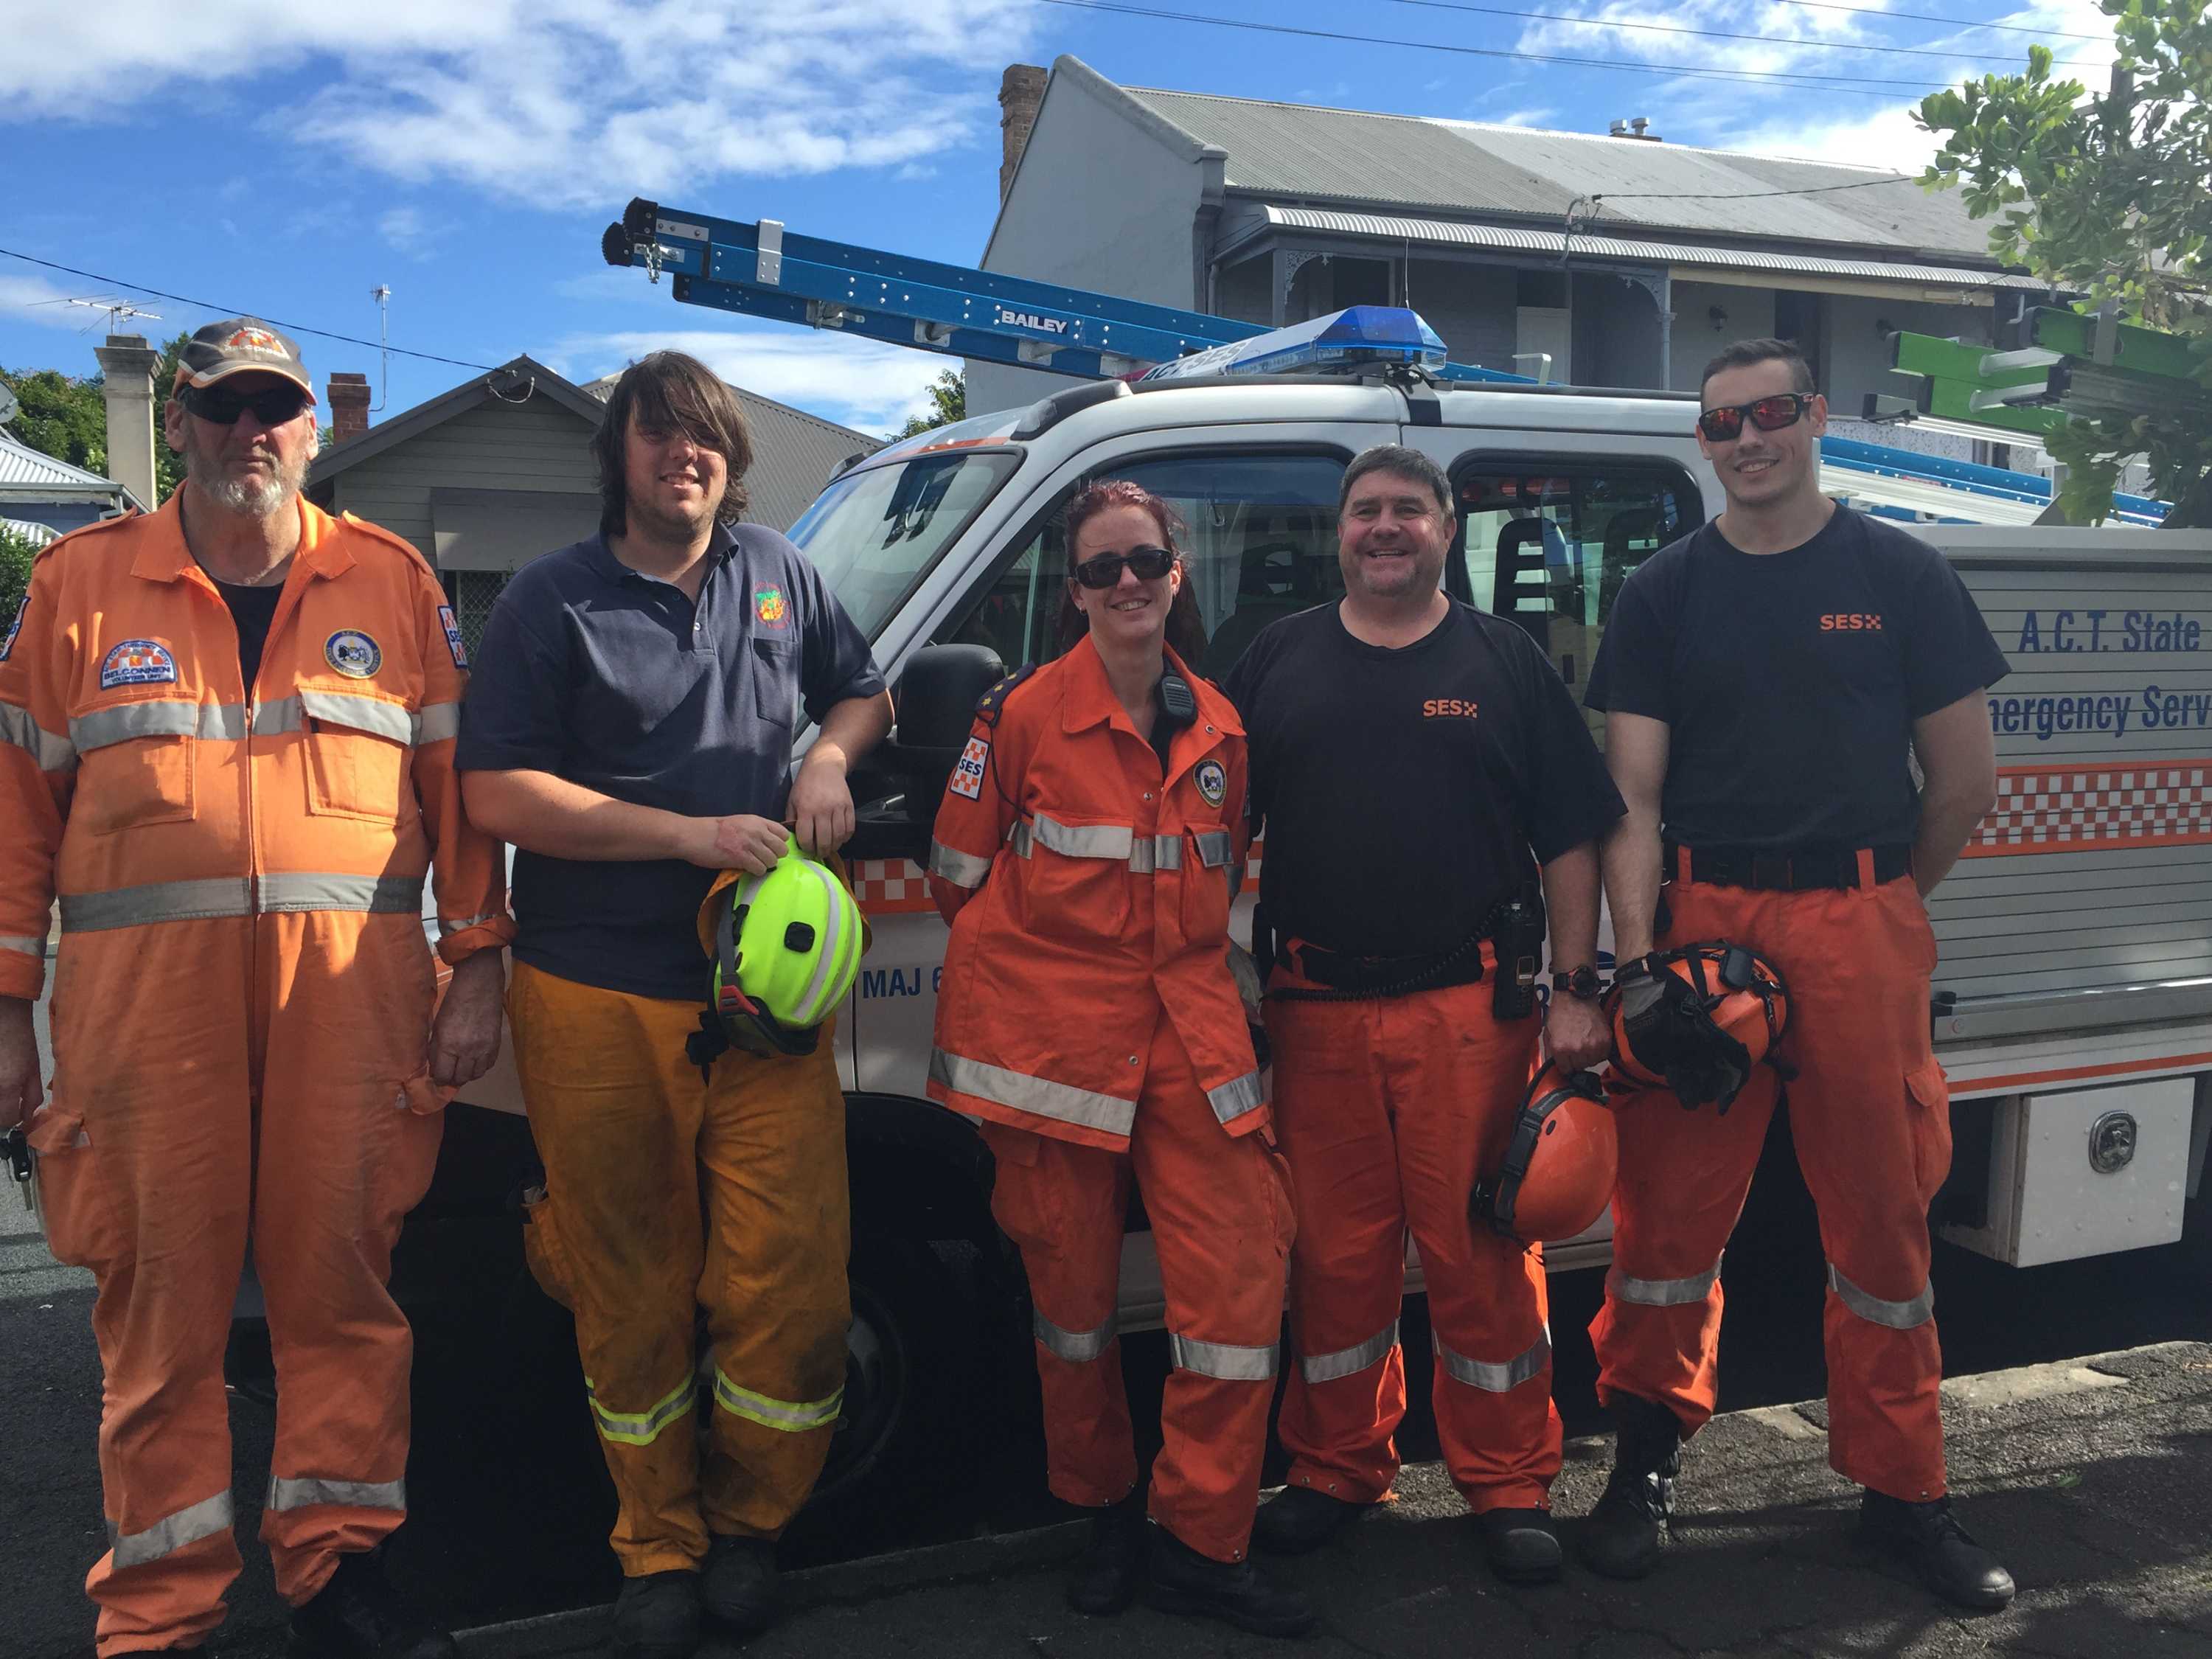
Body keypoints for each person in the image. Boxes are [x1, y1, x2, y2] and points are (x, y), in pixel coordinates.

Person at [0, 318, 512, 1659]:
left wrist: (478, 965)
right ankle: (158, 1609)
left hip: (350, 1011)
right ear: (177, 420)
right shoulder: (79, 586)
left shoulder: (392, 584)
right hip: (142, 1022)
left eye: (273, 407)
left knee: (341, 1295)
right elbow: (13, 819)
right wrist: (5, 1010)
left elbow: (457, 797)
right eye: (222, 406)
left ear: (311, 428)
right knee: (158, 1310)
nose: (249, 431)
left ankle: (337, 1571)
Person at [456, 352, 891, 1659]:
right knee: (630, 1284)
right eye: (656, 436)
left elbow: (864, 690)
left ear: (729, 459)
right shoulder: (552, 599)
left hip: (761, 1001)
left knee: (791, 1281)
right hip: (593, 989)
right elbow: (498, 794)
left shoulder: (780, 570)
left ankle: (752, 1525)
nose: (681, 456)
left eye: (703, 437)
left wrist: (827, 755)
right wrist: (686, 834)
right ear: (620, 457)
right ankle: (658, 1544)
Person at [1583, 338, 2013, 1610]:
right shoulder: (1663, 591)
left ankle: (1904, 1490)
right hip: (1703, 921)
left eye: (1769, 412)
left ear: (1815, 415)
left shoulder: (1901, 574)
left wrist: (1878, 900)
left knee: (1883, 1214)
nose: (1747, 438)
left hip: (1858, 916)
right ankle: (1644, 1460)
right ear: (1702, 441)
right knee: (1667, 1215)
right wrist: (1641, 964)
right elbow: (1631, 795)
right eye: (1721, 422)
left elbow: (1966, 781)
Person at [1221, 445, 1623, 1584]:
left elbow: (1572, 836)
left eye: (1408, 508)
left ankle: (1510, 1479)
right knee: (1335, 1262)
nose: (1385, 527)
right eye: (1365, 510)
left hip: (1472, 1012)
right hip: (1314, 1012)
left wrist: (1576, 989)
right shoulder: (1278, 660)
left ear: (1448, 526)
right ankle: (1338, 1465)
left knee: (1483, 1254)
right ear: (1339, 531)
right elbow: (1214, 827)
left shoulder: (1503, 660)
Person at [925, 480, 1315, 1638]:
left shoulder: (1222, 727)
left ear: (1175, 573)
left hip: (1189, 1030)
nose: (1128, 582)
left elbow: (1218, 875)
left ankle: (1200, 1539)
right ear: (1077, 589)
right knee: (1074, 1304)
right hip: (1054, 1046)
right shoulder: (1021, 715)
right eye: (1102, 568)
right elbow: (954, 875)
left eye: (1145, 560)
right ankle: (1102, 1512)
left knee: (1241, 1279)